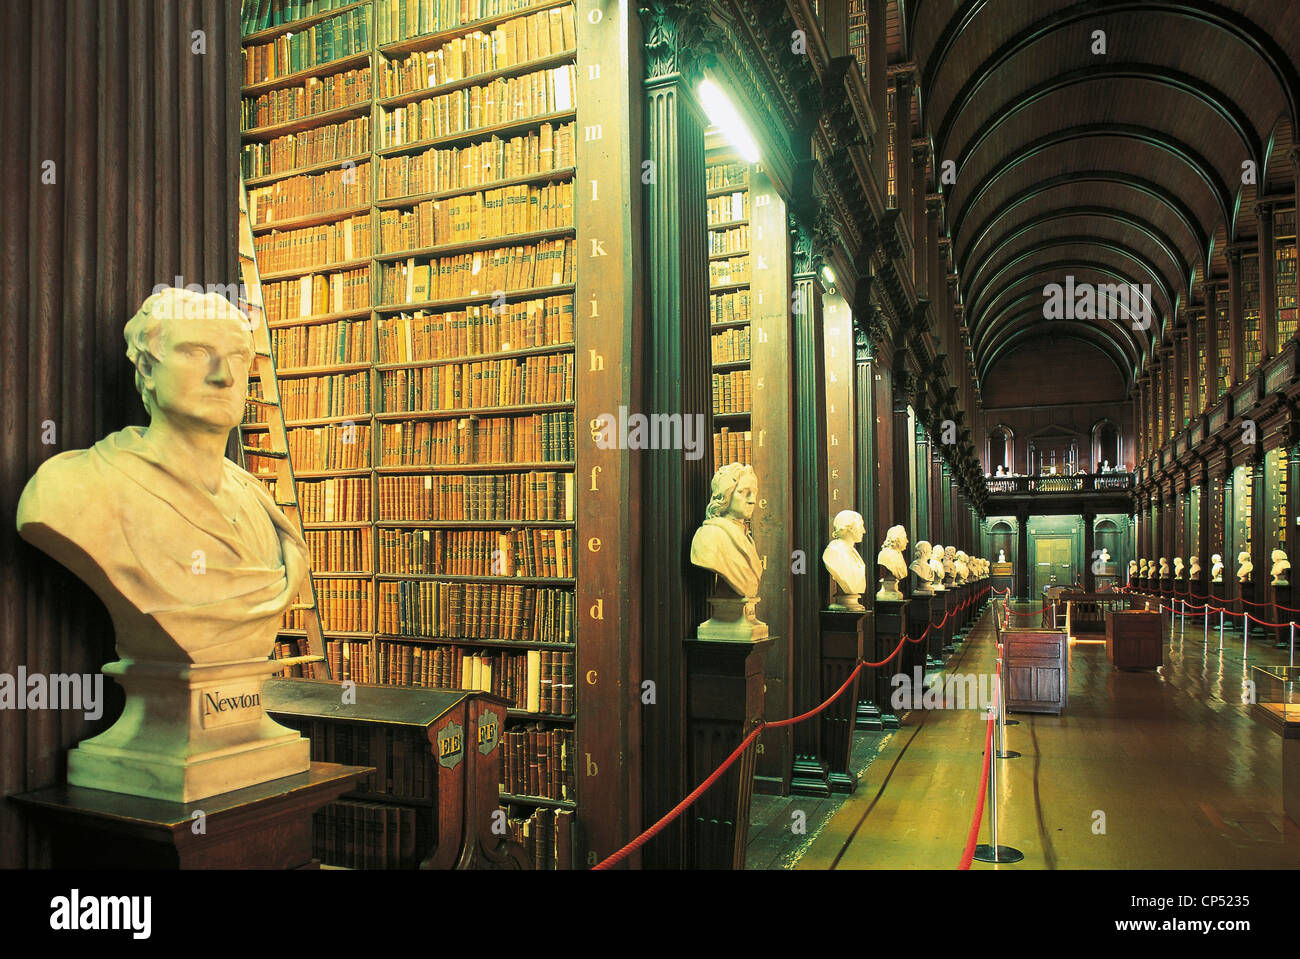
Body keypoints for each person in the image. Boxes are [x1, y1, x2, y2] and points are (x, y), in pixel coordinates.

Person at [17, 287, 309, 664]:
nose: (225, 377)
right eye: (197, 352)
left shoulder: (260, 505)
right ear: (147, 369)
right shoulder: (72, 490)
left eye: (238, 356)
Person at [690, 463, 763, 599]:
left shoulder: (747, 537)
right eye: (743, 492)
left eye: (754, 492)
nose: (752, 500)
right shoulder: (709, 536)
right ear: (725, 495)